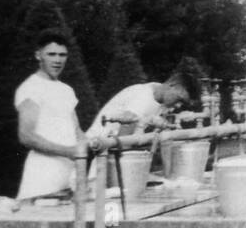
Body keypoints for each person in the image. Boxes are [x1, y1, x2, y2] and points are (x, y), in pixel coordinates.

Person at [14, 30, 84, 201]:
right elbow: (26, 136)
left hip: (69, 175)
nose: (57, 60)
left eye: (62, 55)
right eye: (51, 54)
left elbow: (77, 132)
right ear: (38, 55)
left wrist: (96, 144)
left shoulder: (66, 90)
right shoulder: (31, 87)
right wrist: (69, 151)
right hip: (42, 176)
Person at [86, 72, 199, 139]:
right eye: (179, 100)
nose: (179, 106)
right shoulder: (143, 98)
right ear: (172, 85)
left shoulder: (158, 94)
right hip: (97, 149)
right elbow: (125, 139)